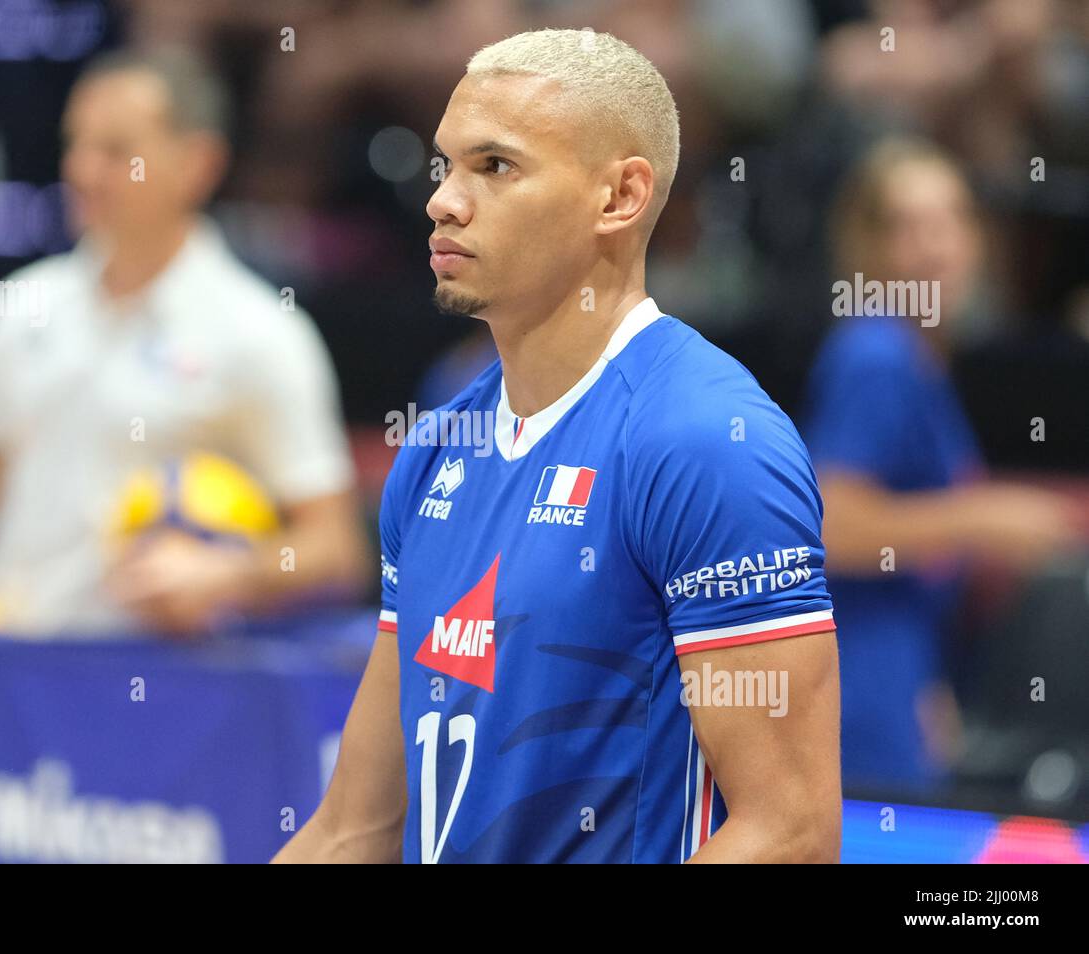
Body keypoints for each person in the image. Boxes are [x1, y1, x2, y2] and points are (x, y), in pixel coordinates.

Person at [276, 29, 840, 864]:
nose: (443, 200)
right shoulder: (438, 446)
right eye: (446, 165)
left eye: (494, 167)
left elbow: (790, 833)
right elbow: (354, 828)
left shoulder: (705, 441)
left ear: (620, 197)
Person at [0, 49, 368, 662]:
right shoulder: (21, 309)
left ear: (197, 164)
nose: (81, 168)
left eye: (116, 151)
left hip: (173, 696)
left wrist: (230, 574)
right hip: (17, 684)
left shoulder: (260, 331)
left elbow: (336, 550)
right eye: (76, 144)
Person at [804, 139, 1086, 792]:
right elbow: (833, 527)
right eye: (908, 226)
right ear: (865, 249)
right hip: (861, 681)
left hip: (899, 675)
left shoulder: (916, 358)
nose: (937, 246)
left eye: (951, 219)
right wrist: (984, 520)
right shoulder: (876, 353)